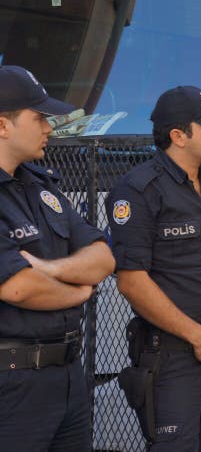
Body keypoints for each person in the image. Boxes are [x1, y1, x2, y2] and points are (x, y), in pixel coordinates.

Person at [106, 85, 201, 450]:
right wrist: (195, 335)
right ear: (178, 136)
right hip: (175, 360)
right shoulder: (139, 190)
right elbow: (131, 282)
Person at [0, 65, 115, 450]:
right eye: (39, 118)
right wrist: (81, 291)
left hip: (66, 378)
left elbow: (102, 258)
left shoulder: (41, 185)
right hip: (12, 385)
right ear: (3, 126)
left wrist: (49, 268)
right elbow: (19, 288)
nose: (49, 128)